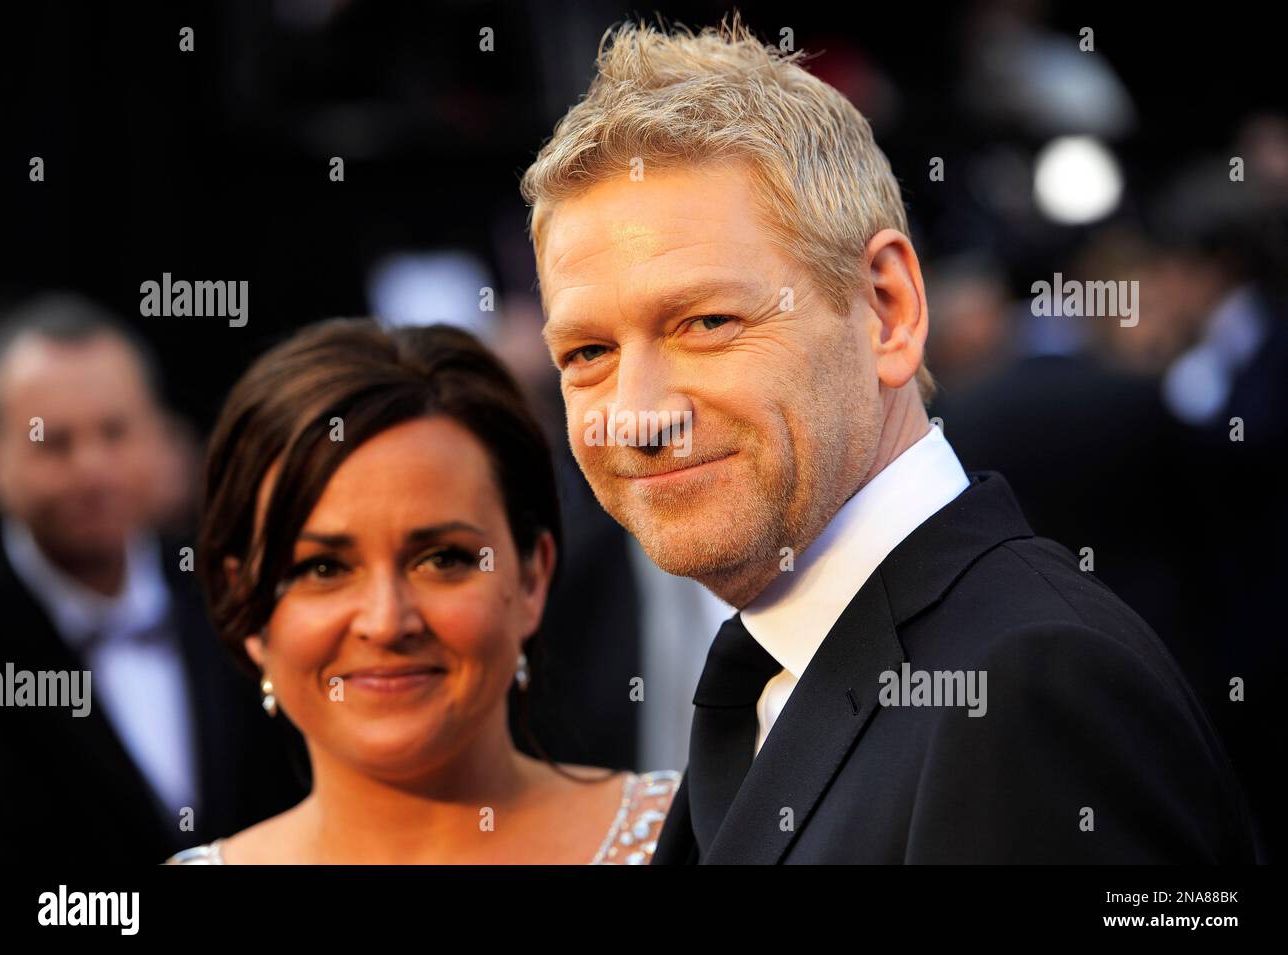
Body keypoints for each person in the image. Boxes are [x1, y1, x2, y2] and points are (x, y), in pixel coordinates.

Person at [518, 17, 1259, 862]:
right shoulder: (775, 671)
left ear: (889, 309)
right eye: (588, 353)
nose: (639, 414)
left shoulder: (1023, 689)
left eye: (708, 322)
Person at [167, 318, 677, 864]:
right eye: (322, 569)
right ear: (244, 602)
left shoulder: (701, 839)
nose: (387, 622)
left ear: (532, 578)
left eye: (442, 560)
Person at [0, 293, 305, 863]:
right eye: (55, 443)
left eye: (114, 433)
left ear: (159, 436)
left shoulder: (233, 594)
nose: (92, 469)